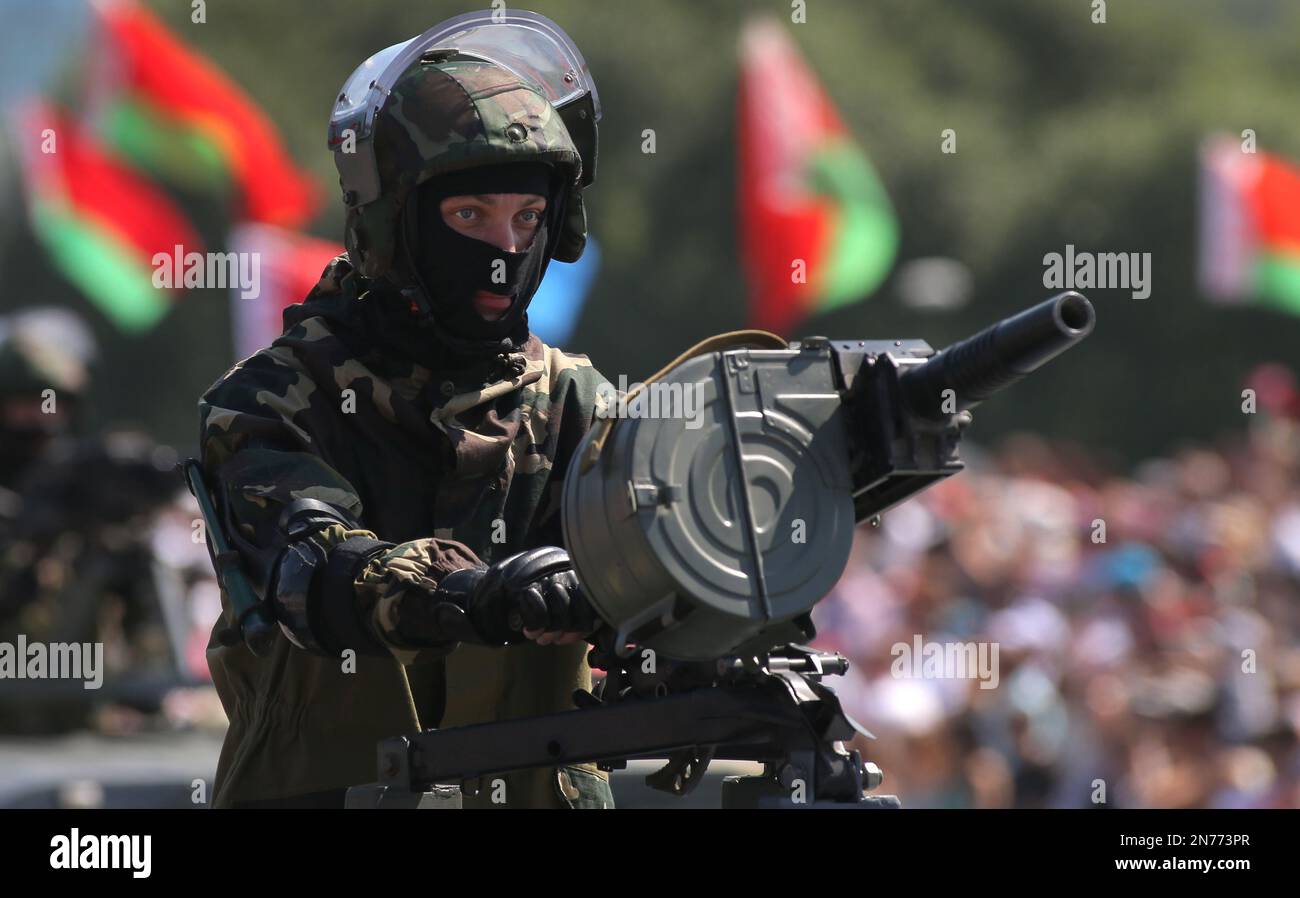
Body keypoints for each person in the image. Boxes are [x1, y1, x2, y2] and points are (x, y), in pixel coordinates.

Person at [196, 12, 614, 808]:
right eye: (470, 217)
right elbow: (316, 573)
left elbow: (667, 558)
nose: (506, 250)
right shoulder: (271, 401)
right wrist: (479, 593)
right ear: (395, 224)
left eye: (528, 219)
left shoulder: (571, 401)